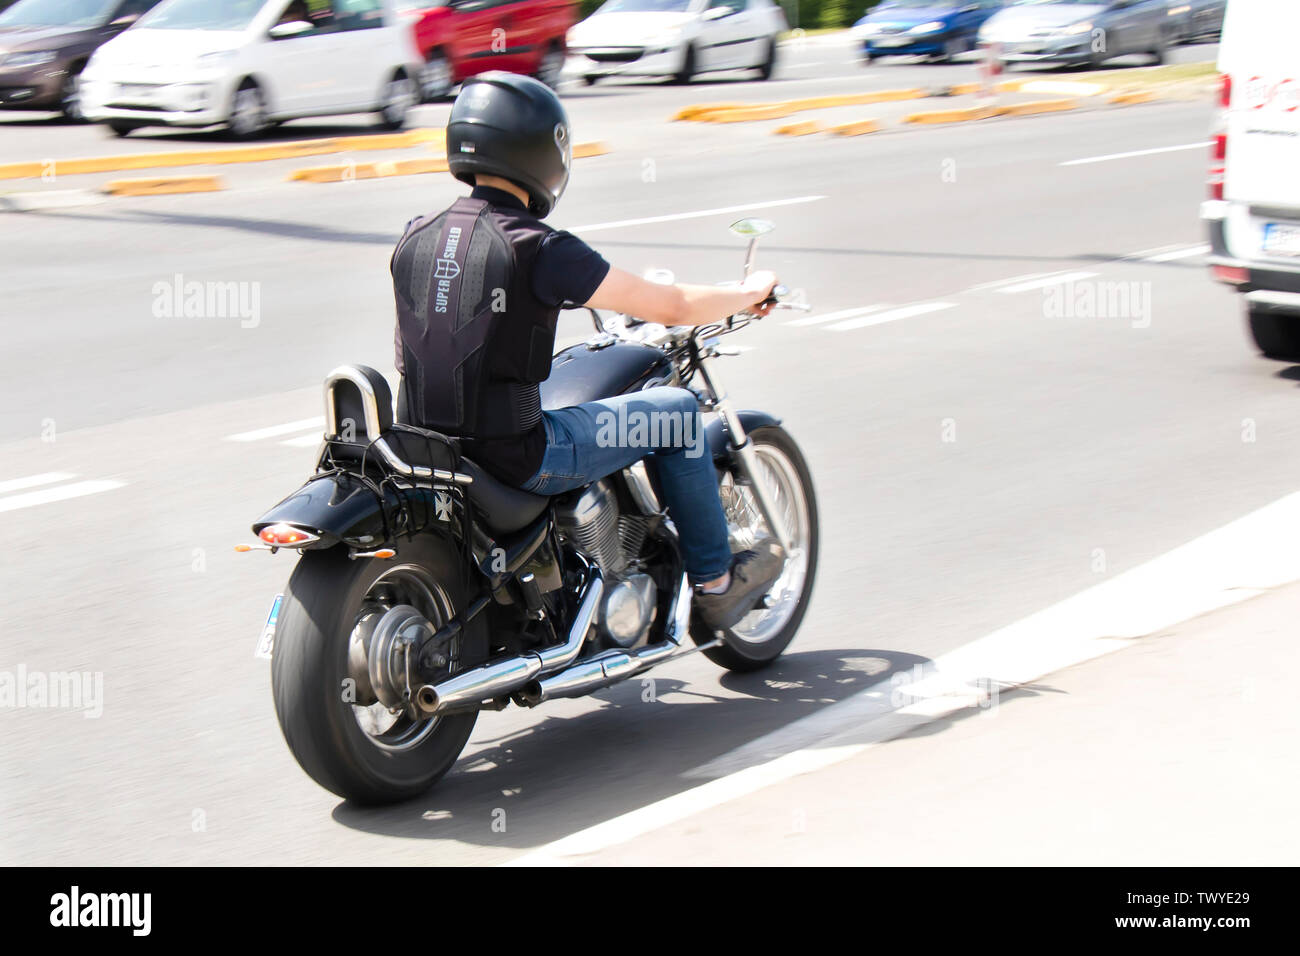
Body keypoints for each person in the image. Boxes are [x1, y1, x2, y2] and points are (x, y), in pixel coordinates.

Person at [390, 72, 783, 631]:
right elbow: (667, 304)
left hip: (423, 446)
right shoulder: (540, 246)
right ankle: (718, 584)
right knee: (674, 414)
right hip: (517, 456)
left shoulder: (415, 232)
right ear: (540, 150)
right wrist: (746, 294)